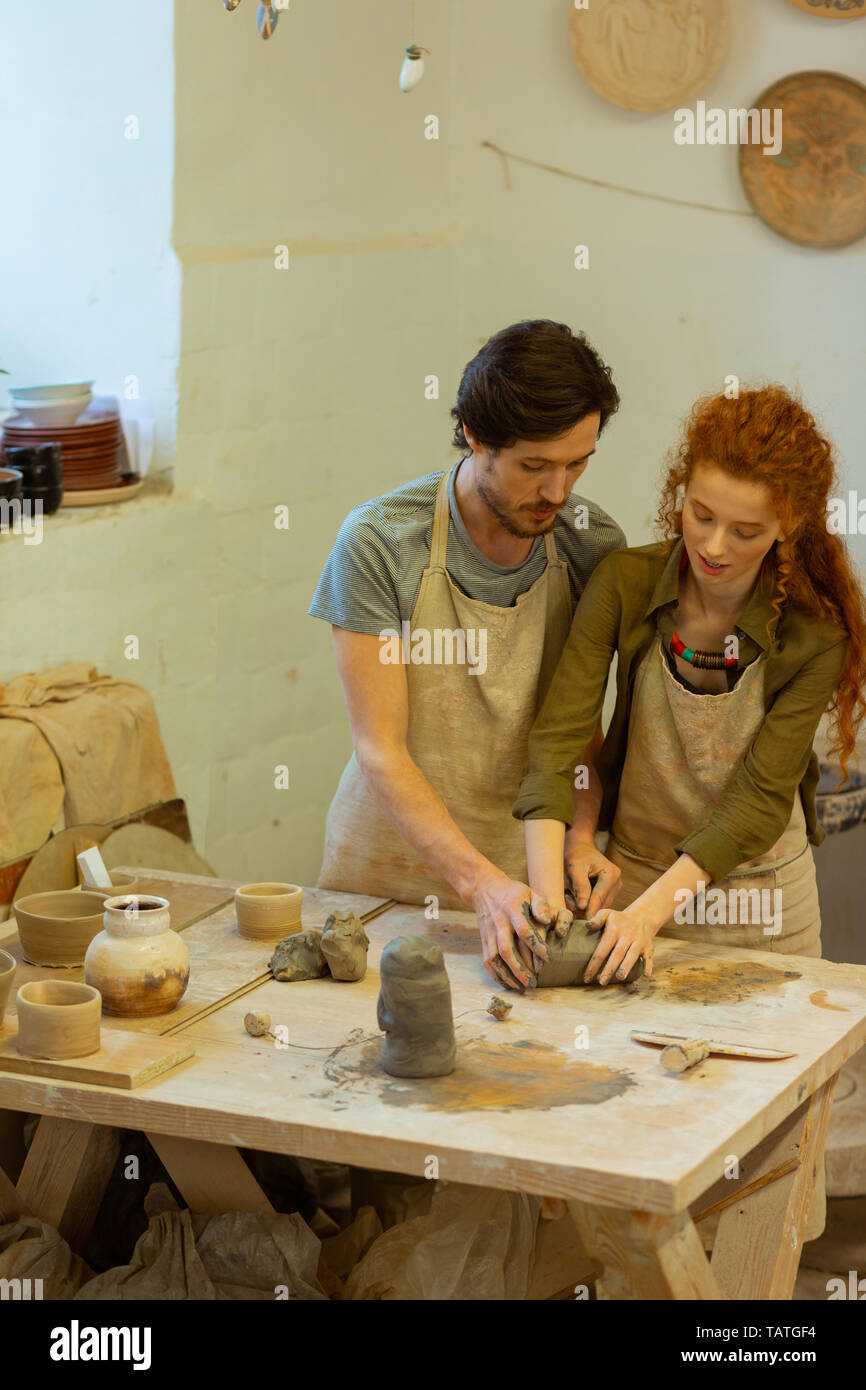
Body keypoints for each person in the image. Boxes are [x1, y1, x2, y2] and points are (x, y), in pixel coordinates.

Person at [308, 320, 627, 992]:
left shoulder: (589, 545)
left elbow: (580, 734)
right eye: (534, 467)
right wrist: (478, 883)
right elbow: (380, 748)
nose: (557, 492)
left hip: (523, 874)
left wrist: (579, 838)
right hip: (389, 869)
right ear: (476, 437)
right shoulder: (382, 542)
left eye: (577, 464)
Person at [514, 385, 866, 992]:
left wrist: (649, 916)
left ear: (791, 524)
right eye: (701, 514)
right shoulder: (625, 583)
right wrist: (547, 900)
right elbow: (559, 740)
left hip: (761, 903)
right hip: (631, 882)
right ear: (682, 492)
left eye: (746, 531)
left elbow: (758, 801)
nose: (713, 546)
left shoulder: (814, 635)